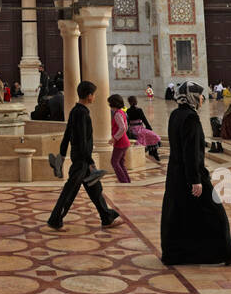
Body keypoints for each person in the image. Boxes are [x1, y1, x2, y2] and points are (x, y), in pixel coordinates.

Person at [160, 81, 231, 266]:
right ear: (192, 96)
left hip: (176, 174)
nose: (203, 98)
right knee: (215, 212)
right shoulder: (190, 118)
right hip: (192, 175)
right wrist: (195, 180)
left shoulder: (176, 114)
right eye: (200, 95)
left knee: (179, 213)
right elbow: (191, 151)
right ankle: (228, 253)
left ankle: (174, 254)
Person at [46, 81, 119, 231]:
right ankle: (55, 219)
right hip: (82, 160)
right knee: (70, 191)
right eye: (93, 95)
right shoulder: (83, 113)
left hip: (79, 157)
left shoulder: (74, 111)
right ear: (89, 96)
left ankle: (106, 217)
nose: (94, 98)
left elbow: (67, 134)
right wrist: (89, 161)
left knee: (95, 188)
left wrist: (62, 152)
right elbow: (83, 139)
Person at [126, 94, 161, 162]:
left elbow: (127, 122)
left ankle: (152, 152)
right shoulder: (139, 110)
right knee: (154, 136)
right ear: (136, 101)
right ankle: (153, 152)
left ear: (129, 102)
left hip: (132, 129)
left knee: (148, 136)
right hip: (139, 129)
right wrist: (149, 128)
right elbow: (144, 119)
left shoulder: (128, 111)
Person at [108, 94, 131, 183]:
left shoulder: (117, 114)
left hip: (121, 142)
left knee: (114, 162)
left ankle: (124, 181)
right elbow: (126, 127)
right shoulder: (122, 112)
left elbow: (123, 128)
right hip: (124, 141)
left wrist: (114, 138)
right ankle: (127, 181)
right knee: (121, 162)